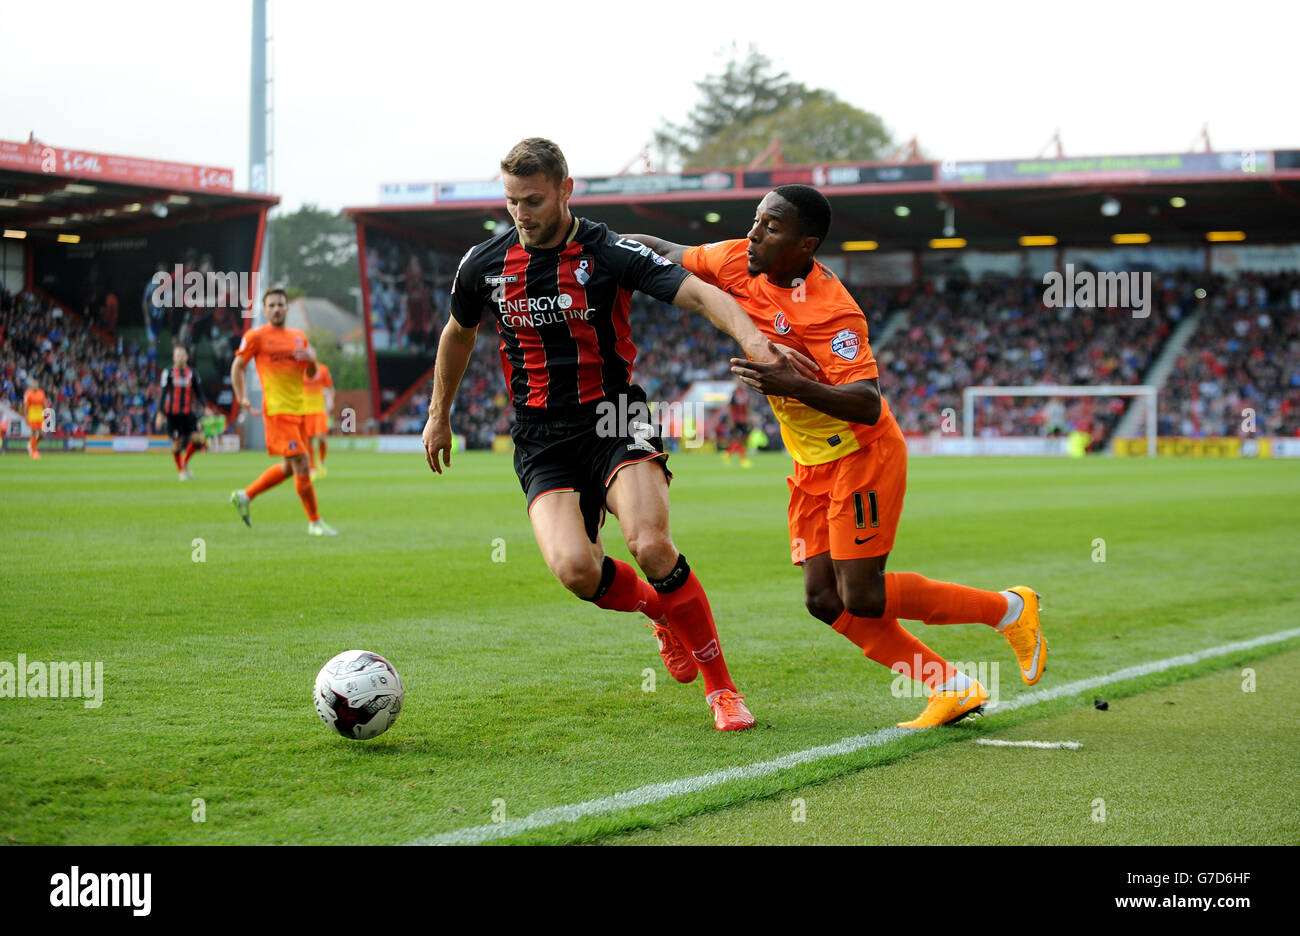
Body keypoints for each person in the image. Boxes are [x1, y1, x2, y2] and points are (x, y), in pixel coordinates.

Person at [628, 184, 1047, 729]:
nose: (754, 233)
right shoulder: (735, 258)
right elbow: (657, 247)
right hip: (811, 463)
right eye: (755, 220)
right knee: (825, 600)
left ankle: (1009, 609)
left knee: (863, 596)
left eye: (771, 227)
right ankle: (952, 685)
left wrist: (790, 382)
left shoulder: (833, 311)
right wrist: (588, 240)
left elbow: (868, 403)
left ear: (806, 246)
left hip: (861, 454)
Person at [421, 138, 793, 731]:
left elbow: (698, 293)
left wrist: (752, 341)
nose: (522, 213)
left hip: (614, 417)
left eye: (535, 200)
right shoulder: (483, 264)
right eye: (513, 201)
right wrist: (439, 413)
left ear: (566, 190)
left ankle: (722, 690)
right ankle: (661, 613)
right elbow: (457, 333)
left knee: (649, 544)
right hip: (541, 436)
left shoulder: (608, 250)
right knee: (575, 569)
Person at [229, 287, 337, 535]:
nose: (277, 309)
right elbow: (237, 366)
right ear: (265, 310)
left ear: (287, 308)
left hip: (299, 411)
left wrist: (311, 360)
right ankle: (315, 522)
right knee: (302, 462)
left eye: (280, 304)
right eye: (272, 305)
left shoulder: (299, 337)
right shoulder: (256, 336)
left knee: (290, 467)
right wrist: (241, 396)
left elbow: (310, 374)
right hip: (278, 411)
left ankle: (245, 496)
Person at [154, 344, 206, 480]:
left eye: (182, 355)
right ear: (173, 357)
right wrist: (160, 413)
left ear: (187, 357)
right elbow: (164, 393)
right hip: (173, 414)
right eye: (178, 355)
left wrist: (205, 407)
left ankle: (185, 462)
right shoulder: (169, 373)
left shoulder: (192, 373)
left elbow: (199, 393)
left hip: (188, 413)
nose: (180, 357)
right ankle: (180, 471)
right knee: (176, 443)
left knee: (198, 439)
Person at [303, 360, 335, 478]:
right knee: (309, 440)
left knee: (322, 436)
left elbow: (330, 387)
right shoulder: (300, 370)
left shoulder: (322, 369)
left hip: (320, 410)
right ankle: (312, 467)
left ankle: (321, 462)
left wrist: (331, 401)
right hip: (305, 411)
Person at [22, 381, 46, 459]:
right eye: (33, 385)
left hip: (40, 416)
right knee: (34, 432)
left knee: (41, 435)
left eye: (36, 385)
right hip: (32, 416)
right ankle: (34, 452)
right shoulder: (28, 394)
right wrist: (26, 417)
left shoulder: (41, 393)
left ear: (38, 385)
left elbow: (44, 404)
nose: (35, 386)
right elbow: (26, 407)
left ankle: (31, 445)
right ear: (31, 386)